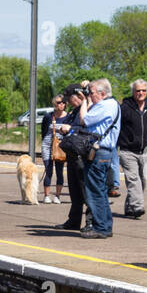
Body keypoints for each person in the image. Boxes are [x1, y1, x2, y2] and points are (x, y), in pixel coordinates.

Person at [59, 76, 120, 238]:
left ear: (102, 93)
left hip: (99, 152)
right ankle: (105, 226)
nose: (90, 95)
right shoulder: (110, 104)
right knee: (99, 190)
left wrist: (85, 100)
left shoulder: (106, 105)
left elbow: (84, 119)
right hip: (103, 151)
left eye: (92, 93)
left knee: (95, 191)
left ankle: (101, 228)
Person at [118, 79, 147, 218]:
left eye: (143, 90)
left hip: (144, 151)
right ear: (133, 92)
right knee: (134, 181)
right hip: (128, 151)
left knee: (143, 180)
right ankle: (138, 206)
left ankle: (129, 207)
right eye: (138, 90)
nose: (141, 93)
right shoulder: (125, 108)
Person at [55, 85, 89, 230]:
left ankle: (91, 222)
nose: (68, 102)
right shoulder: (74, 111)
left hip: (83, 155)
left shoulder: (89, 109)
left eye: (70, 99)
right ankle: (74, 221)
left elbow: (88, 127)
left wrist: (71, 129)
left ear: (78, 95)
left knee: (85, 190)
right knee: (74, 190)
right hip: (72, 154)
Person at [41, 95, 67, 203]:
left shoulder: (68, 117)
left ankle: (57, 196)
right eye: (59, 102)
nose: (61, 104)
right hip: (48, 146)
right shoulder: (48, 116)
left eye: (63, 102)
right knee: (49, 170)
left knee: (60, 171)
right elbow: (43, 132)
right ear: (55, 104)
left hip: (61, 147)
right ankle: (46, 196)